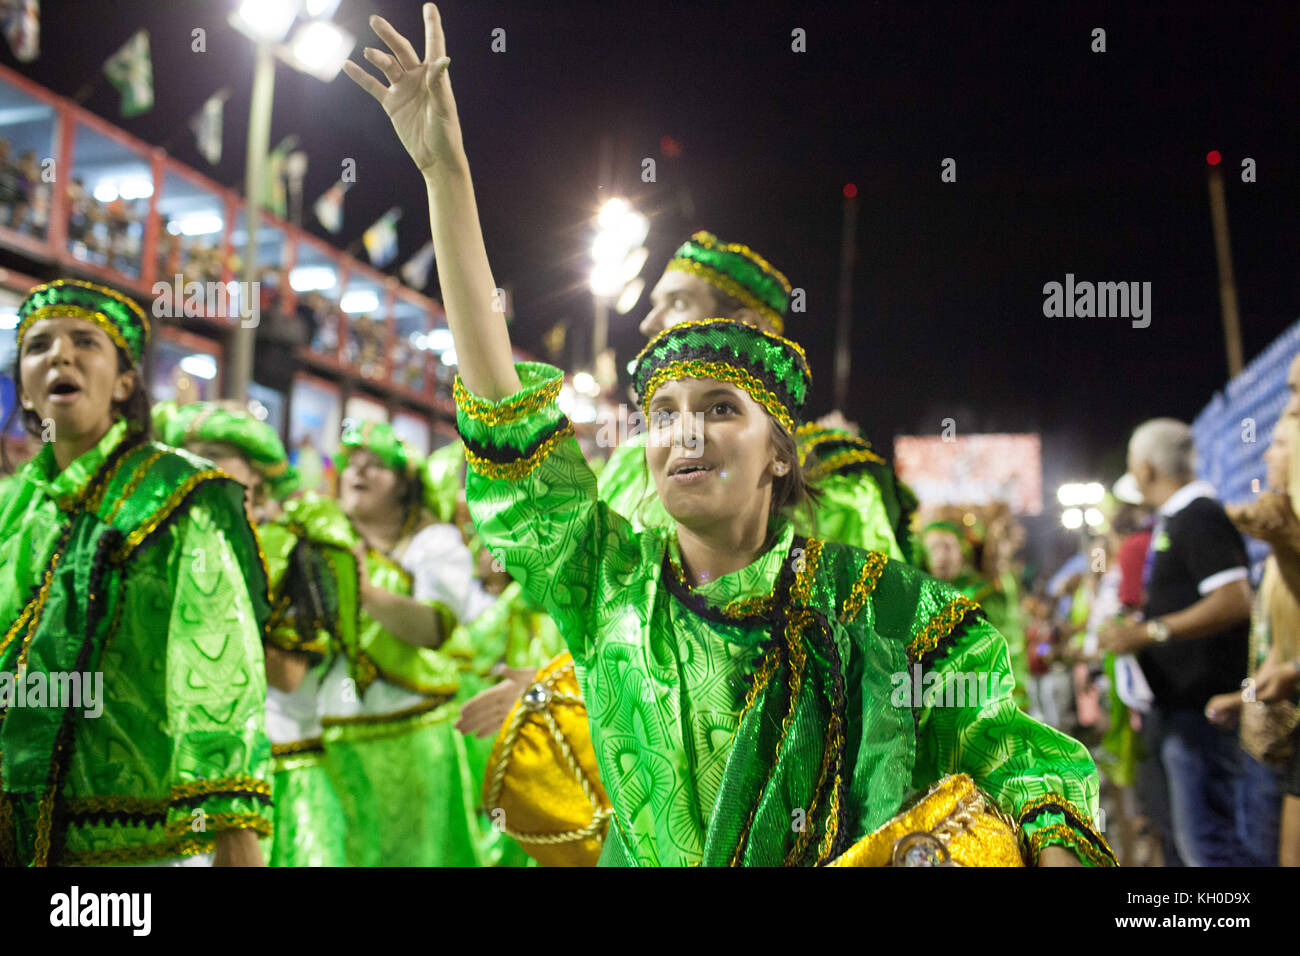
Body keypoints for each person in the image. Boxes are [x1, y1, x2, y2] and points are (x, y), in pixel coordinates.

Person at [344, 5, 1112, 867]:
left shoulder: (874, 603)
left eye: (718, 408)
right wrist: (446, 173)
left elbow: (1007, 750)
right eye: (662, 413)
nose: (683, 434)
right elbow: (498, 400)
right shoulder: (606, 582)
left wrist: (1047, 837)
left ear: (780, 451)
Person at [0, 279, 272, 866]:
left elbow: (219, 671)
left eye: (84, 342)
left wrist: (234, 833)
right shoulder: (12, 507)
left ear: (125, 381)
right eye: (38, 345)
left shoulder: (177, 495)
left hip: (132, 841)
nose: (60, 356)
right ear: (23, 387)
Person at [153, 399, 352, 867]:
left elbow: (287, 675)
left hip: (279, 776)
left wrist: (204, 620)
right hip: (176, 778)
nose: (194, 469)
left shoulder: (293, 549)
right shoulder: (156, 547)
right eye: (186, 454)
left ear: (255, 481)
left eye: (213, 457)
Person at [319, 419, 493, 865]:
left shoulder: (434, 543)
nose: (358, 472)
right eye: (352, 463)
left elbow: (433, 630)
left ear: (402, 485)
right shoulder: (321, 536)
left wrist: (367, 592)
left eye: (375, 465)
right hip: (330, 742)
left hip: (412, 738)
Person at [1099, 418, 1253, 866]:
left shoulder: (1199, 516)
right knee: (1188, 845)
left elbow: (1234, 599)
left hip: (1201, 713)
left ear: (1144, 470)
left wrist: (1150, 631)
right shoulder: (1178, 520)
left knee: (1207, 849)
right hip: (1179, 710)